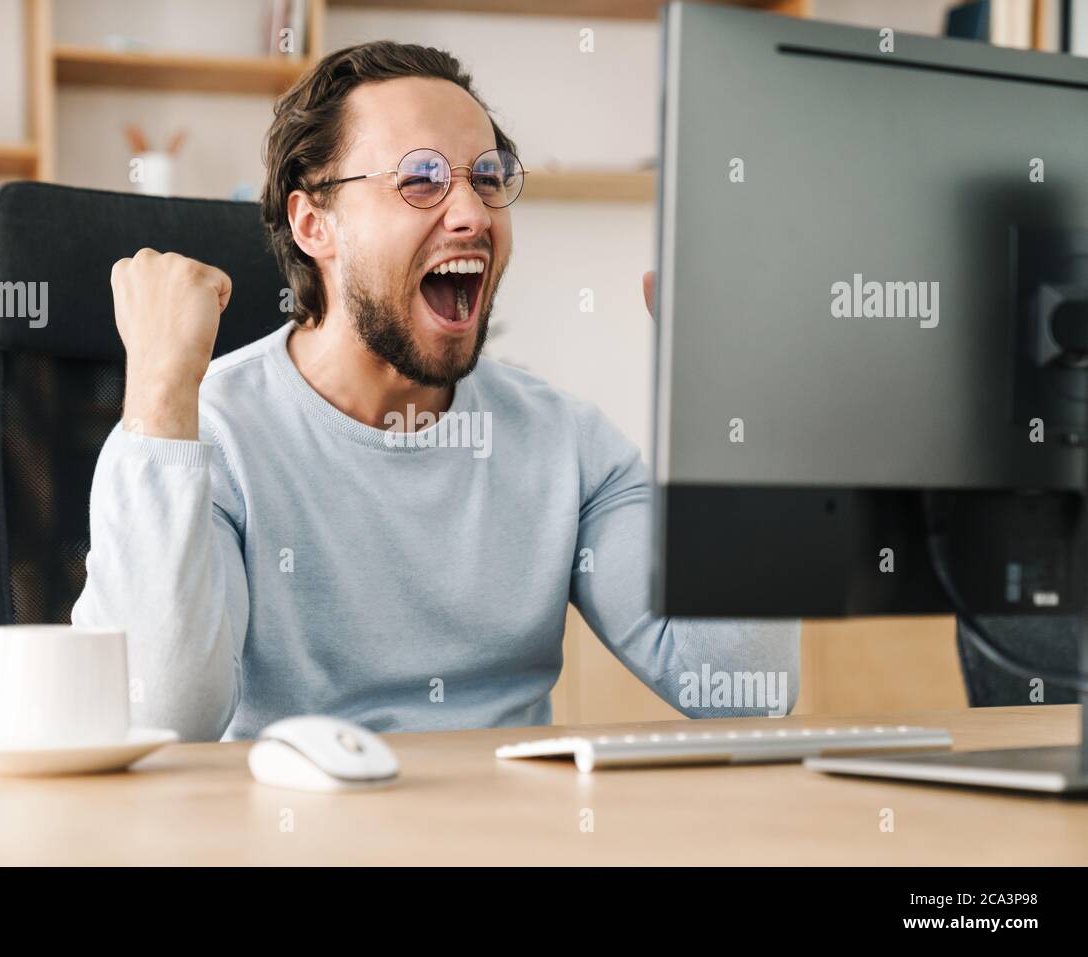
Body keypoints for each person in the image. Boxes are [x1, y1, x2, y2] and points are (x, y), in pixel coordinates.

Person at [71, 41, 799, 741]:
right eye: (420, 178)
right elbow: (163, 721)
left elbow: (747, 686)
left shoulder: (564, 442)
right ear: (313, 222)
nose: (474, 213)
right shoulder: (204, 436)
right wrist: (165, 388)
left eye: (488, 177)